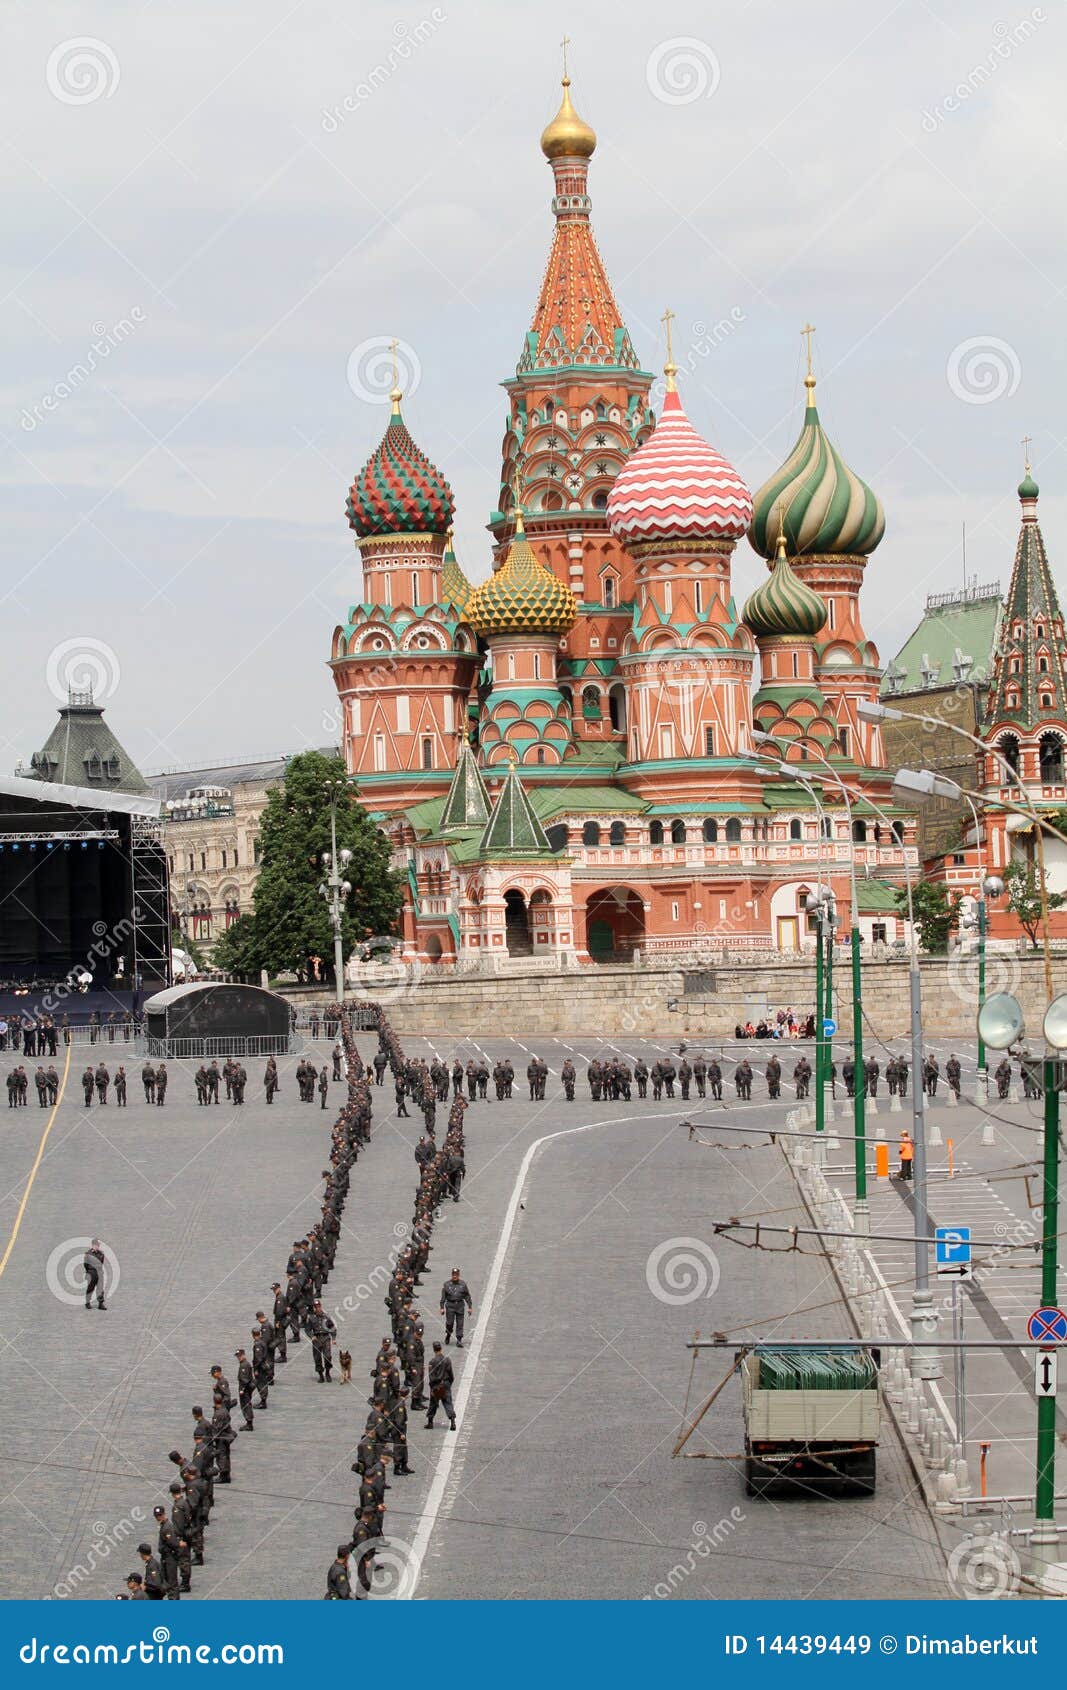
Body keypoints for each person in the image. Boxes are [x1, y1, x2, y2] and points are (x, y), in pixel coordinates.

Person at [426, 1340, 456, 1430]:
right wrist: (449, 1384)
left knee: (433, 1404)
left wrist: (432, 1388)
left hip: (436, 1385)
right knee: (448, 1403)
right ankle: (452, 1422)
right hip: (445, 1383)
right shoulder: (447, 1359)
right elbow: (451, 1374)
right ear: (441, 1348)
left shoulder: (432, 1362)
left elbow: (431, 1377)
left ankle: (430, 1422)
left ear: (434, 1349)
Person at [440, 1267, 473, 1346]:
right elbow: (443, 1297)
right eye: (453, 1275)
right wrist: (442, 1308)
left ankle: (459, 1340)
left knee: (460, 1323)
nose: (455, 1276)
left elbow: (467, 1296)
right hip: (450, 1306)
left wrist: (470, 1307)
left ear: (459, 1275)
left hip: (460, 1305)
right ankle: (448, 1334)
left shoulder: (463, 1284)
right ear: (452, 1275)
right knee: (449, 1323)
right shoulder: (446, 1284)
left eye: (456, 1275)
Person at [83, 1239, 107, 1309]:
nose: (98, 1246)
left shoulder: (101, 1254)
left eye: (99, 1245)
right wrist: (89, 1272)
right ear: (93, 1245)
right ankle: (87, 1302)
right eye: (97, 1245)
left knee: (100, 1288)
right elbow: (85, 1264)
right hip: (91, 1273)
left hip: (99, 1273)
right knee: (90, 1288)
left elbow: (101, 1262)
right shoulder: (88, 1254)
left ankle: (100, 1303)